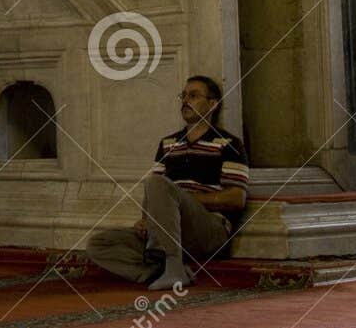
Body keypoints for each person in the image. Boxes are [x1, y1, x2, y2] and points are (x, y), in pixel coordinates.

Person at [84, 74, 249, 291]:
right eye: (183, 95)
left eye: (193, 95)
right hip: (168, 230)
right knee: (98, 244)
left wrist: (184, 200)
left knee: (159, 183)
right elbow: (154, 192)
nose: (185, 100)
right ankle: (158, 270)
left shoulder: (229, 144)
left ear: (212, 104)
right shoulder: (168, 144)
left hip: (208, 229)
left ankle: (172, 265)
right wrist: (145, 220)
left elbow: (237, 199)